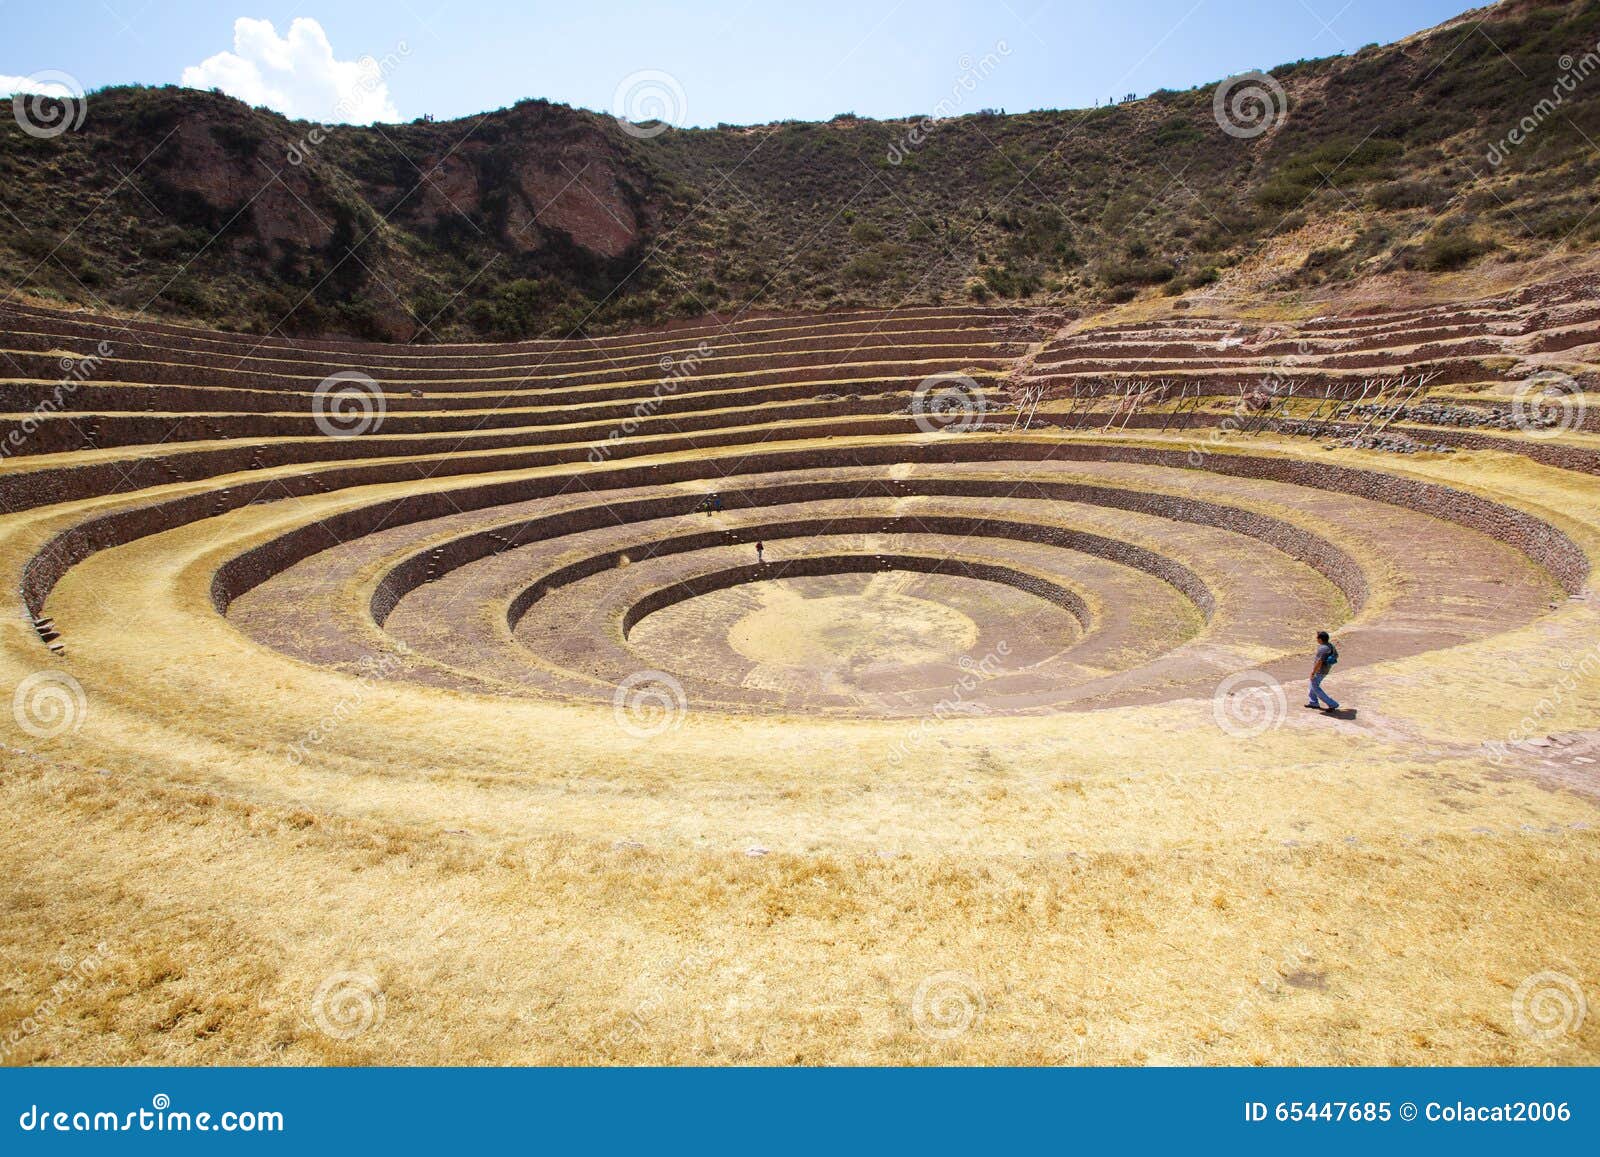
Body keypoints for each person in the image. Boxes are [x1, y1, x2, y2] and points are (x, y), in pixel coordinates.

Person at [1306, 630, 1340, 711]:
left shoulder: (1323, 648)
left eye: (1317, 638)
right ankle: (1313, 702)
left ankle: (1332, 704)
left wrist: (1313, 672)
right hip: (1325, 669)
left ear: (1320, 639)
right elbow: (1336, 655)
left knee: (1315, 687)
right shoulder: (1330, 646)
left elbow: (1319, 662)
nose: (1316, 639)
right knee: (1312, 685)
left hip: (1320, 671)